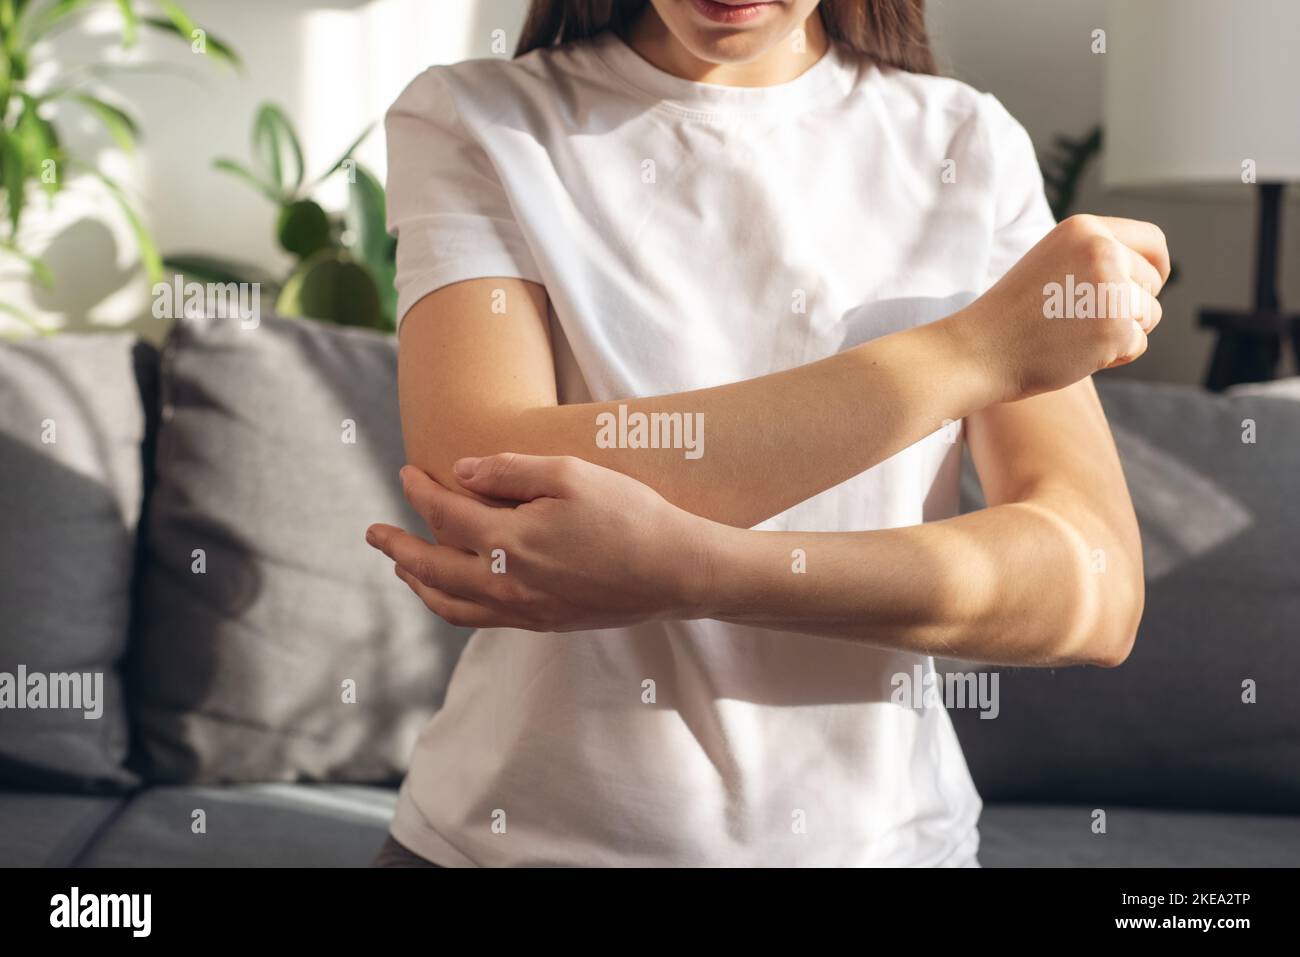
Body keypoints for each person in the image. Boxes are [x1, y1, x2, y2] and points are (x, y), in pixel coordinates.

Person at [366, 0, 1169, 867]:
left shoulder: (966, 145)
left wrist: (700, 571)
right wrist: (973, 351)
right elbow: (484, 476)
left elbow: (1094, 582)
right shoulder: (478, 118)